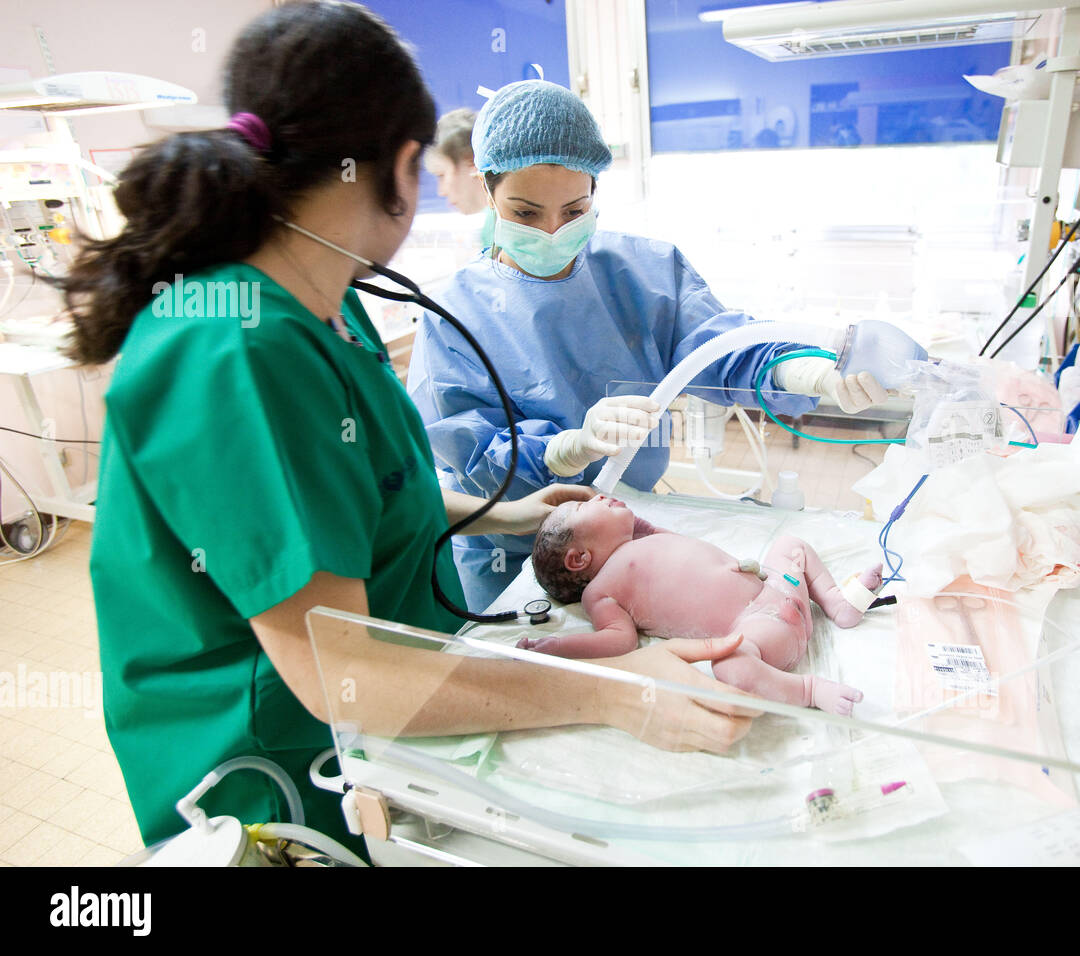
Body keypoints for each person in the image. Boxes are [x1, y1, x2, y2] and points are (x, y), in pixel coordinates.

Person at [58, 1, 757, 856]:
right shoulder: (237, 352)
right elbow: (339, 671)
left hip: (393, 714)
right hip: (273, 768)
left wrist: (512, 512)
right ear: (398, 165)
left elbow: (365, 487)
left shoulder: (329, 304)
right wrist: (615, 690)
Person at [408, 79, 895, 613]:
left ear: (595, 190)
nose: (551, 232)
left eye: (573, 212)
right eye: (525, 213)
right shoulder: (452, 312)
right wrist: (566, 448)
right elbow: (472, 448)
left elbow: (724, 349)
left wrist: (809, 373)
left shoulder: (643, 273)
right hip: (512, 553)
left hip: (626, 531)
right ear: (488, 189)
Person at [525, 494, 885, 715]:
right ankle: (808, 691)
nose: (597, 497)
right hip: (758, 628)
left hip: (778, 587)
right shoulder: (600, 592)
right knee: (729, 665)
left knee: (792, 544)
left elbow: (677, 543)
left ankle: (839, 605)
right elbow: (619, 640)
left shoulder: (641, 540)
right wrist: (559, 646)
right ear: (578, 559)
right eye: (582, 507)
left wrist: (637, 526)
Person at [426, 108, 494, 250]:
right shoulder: (496, 224)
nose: (441, 192)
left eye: (442, 175)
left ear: (472, 161)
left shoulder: (500, 229)